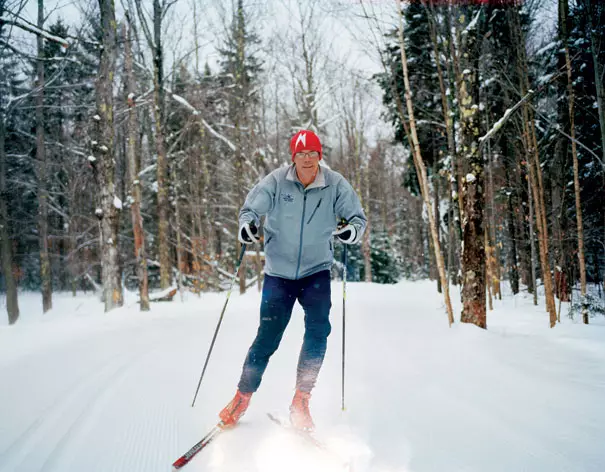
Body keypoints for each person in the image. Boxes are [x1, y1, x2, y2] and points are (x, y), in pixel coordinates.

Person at [218, 130, 366, 431]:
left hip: (316, 271)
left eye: (313, 153)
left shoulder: (335, 184)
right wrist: (247, 227)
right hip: (279, 274)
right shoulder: (275, 182)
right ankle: (242, 396)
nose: (307, 158)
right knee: (267, 338)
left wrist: (352, 231)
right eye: (301, 154)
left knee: (318, 331)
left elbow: (357, 218)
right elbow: (249, 212)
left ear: (320, 155)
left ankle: (301, 400)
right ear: (293, 157)